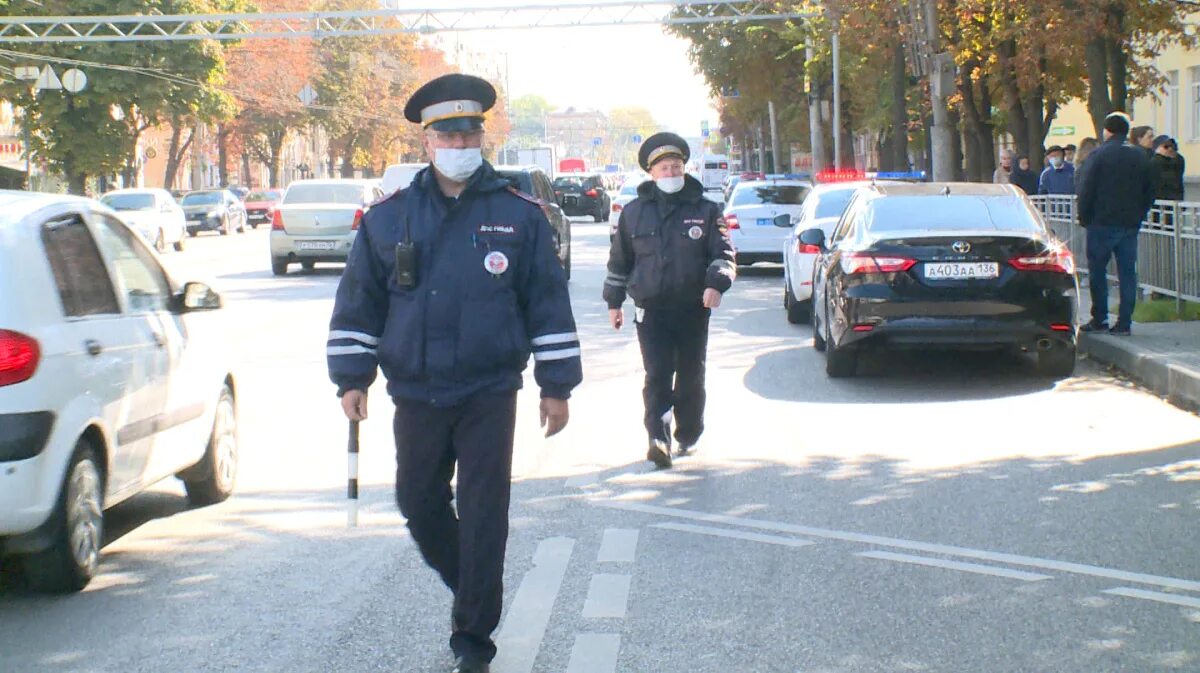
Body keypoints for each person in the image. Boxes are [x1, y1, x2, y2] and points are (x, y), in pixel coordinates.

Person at [327, 73, 582, 673]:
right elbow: (359, 301)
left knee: (485, 509)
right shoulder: (387, 219)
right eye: (447, 134)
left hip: (489, 388)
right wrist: (352, 377)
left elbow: (548, 301)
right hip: (415, 389)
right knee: (418, 502)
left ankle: (473, 638)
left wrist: (557, 386)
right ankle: (476, 587)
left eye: (469, 132)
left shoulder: (518, 215)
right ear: (426, 142)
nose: (460, 143)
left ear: (482, 137)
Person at [603, 132, 736, 469]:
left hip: (693, 309)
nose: (672, 173)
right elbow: (619, 262)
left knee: (691, 375)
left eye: (676, 167)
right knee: (657, 374)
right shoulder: (634, 213)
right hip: (651, 311)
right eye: (665, 168)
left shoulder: (706, 210)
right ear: (652, 173)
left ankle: (688, 432)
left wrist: (716, 284)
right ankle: (657, 438)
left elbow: (723, 255)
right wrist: (614, 303)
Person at [1075, 111, 1156, 336]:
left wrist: (1084, 217)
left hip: (1101, 224)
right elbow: (1150, 190)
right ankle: (1124, 323)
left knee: (1098, 271)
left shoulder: (1098, 155)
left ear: (1107, 131)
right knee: (1128, 273)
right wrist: (1140, 214)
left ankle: (1099, 318)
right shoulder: (1140, 156)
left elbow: (1086, 189)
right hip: (1129, 224)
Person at [1150, 135, 1185, 202]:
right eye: (1166, 147)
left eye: (1173, 146)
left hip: (1175, 198)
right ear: (1157, 149)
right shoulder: (1155, 161)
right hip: (1160, 200)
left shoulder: (1178, 159)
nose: (1170, 149)